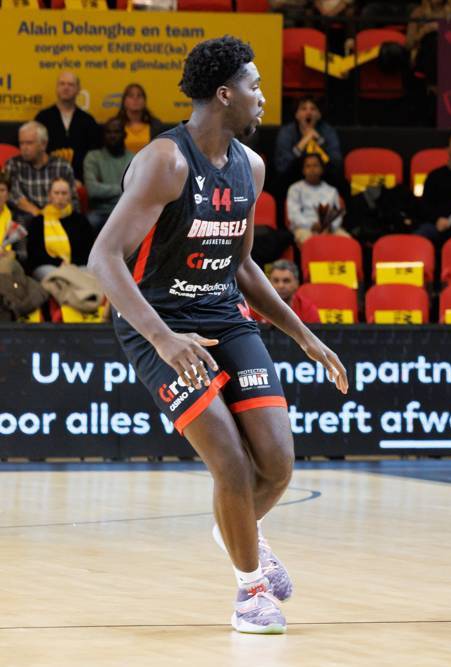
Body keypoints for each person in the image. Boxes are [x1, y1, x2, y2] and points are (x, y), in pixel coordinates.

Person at [87, 36, 349, 635]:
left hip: (225, 314)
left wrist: (304, 336)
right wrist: (162, 339)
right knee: (231, 466)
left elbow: (244, 264)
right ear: (225, 93)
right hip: (157, 321)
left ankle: (236, 529)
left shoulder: (250, 167)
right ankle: (250, 592)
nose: (263, 99)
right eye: (255, 87)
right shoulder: (166, 160)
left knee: (278, 464)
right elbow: (104, 260)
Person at [34, 71, 101, 181]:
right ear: (57, 88)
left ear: (78, 89)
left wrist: (85, 180)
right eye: (62, 84)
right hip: (46, 178)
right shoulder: (43, 118)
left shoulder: (88, 121)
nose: (66, 88)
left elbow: (94, 156)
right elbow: (36, 151)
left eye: (70, 84)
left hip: (80, 179)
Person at [6, 121, 79, 222]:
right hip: (26, 219)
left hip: (58, 217)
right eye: (21, 143)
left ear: (43, 144)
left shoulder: (62, 166)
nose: (24, 148)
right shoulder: (14, 164)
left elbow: (73, 201)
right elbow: (13, 196)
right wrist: (40, 215)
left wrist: (54, 214)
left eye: (29, 143)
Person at [24, 177, 94, 280]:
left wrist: (71, 265)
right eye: (56, 193)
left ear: (70, 196)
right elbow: (35, 254)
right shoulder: (38, 222)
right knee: (59, 277)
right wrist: (60, 263)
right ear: (49, 196)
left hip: (77, 266)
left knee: (90, 276)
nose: (60, 197)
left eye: (64, 193)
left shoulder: (80, 220)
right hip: (48, 266)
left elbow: (88, 251)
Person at [273, 96, 342, 189]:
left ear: (319, 114)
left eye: (313, 109)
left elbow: (336, 164)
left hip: (324, 182)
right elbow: (282, 167)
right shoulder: (286, 132)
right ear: (296, 114)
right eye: (303, 108)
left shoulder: (328, 131)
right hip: (291, 182)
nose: (308, 112)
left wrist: (320, 141)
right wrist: (303, 142)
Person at [82, 118, 134, 231]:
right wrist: (123, 189)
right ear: (103, 135)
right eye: (108, 132)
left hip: (125, 211)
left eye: (116, 132)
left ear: (125, 135)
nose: (112, 136)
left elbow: (135, 191)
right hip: (99, 212)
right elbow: (93, 190)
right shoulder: (93, 157)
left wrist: (104, 189)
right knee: (87, 223)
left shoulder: (133, 159)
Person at [286, 153, 347, 244]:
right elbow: (293, 215)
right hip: (305, 228)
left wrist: (330, 226)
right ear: (303, 170)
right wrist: (312, 225)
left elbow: (338, 215)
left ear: (322, 169)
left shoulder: (331, 190)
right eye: (308, 166)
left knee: (348, 241)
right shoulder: (295, 189)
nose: (312, 169)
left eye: (315, 165)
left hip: (330, 228)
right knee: (312, 243)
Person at [256, 260, 320, 324]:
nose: (281, 286)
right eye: (276, 281)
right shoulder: (256, 305)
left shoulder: (307, 309)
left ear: (296, 283)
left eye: (286, 281)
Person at [115, 83, 165, 154]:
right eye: (131, 96)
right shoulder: (115, 126)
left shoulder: (156, 126)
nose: (135, 99)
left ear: (144, 101)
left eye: (139, 96)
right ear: (124, 101)